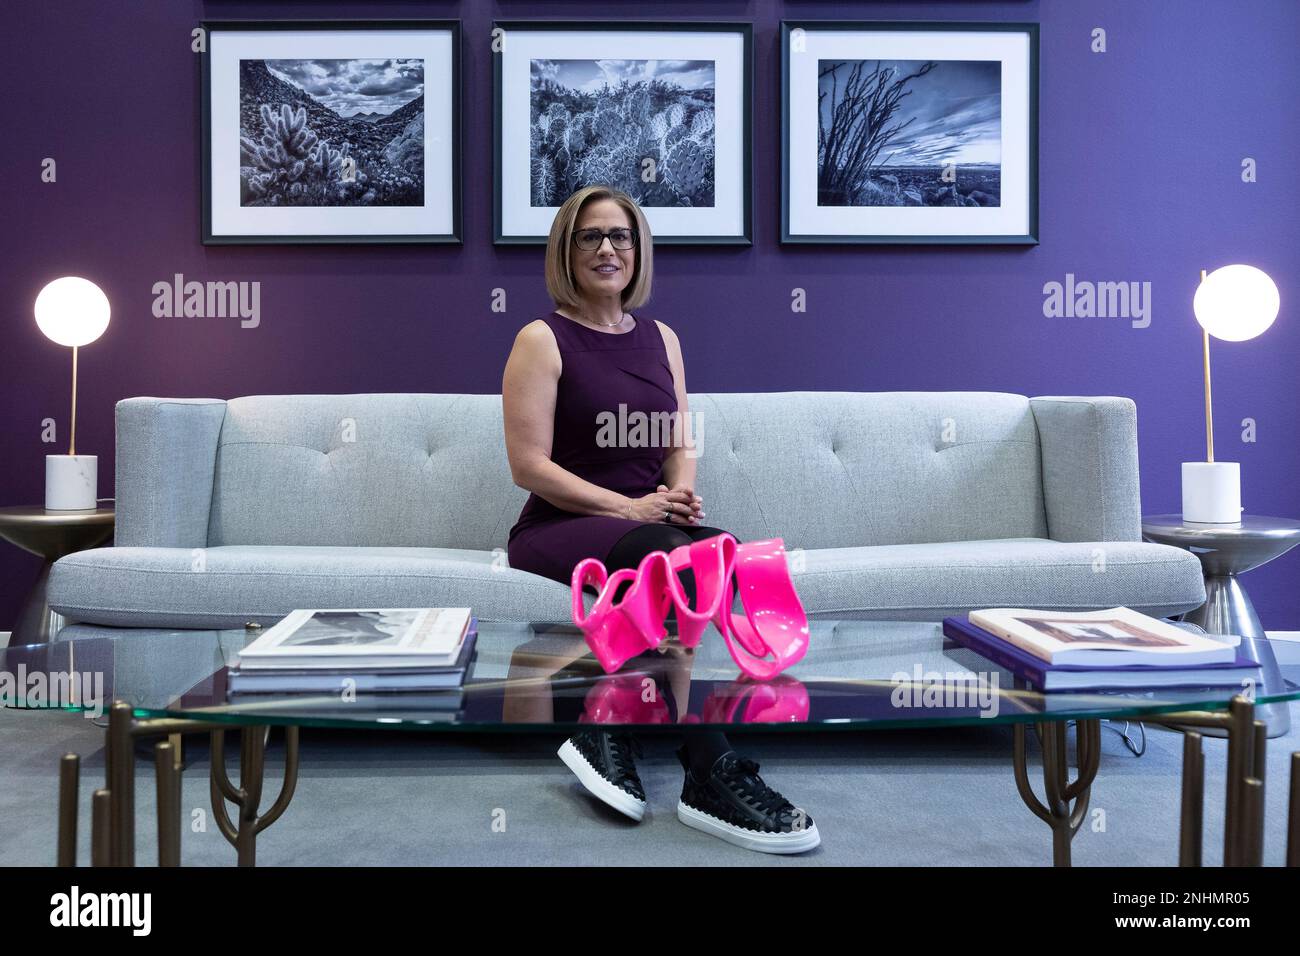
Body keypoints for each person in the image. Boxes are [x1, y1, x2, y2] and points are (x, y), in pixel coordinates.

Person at [501, 185, 819, 854]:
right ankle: (710, 768)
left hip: (648, 524)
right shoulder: (542, 338)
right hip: (558, 526)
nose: (608, 248)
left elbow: (678, 442)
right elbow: (528, 466)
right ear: (567, 248)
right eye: (591, 236)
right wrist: (631, 507)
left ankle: (606, 728)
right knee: (663, 555)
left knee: (724, 549)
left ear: (638, 250)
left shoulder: (661, 338)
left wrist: (680, 493)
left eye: (620, 236)